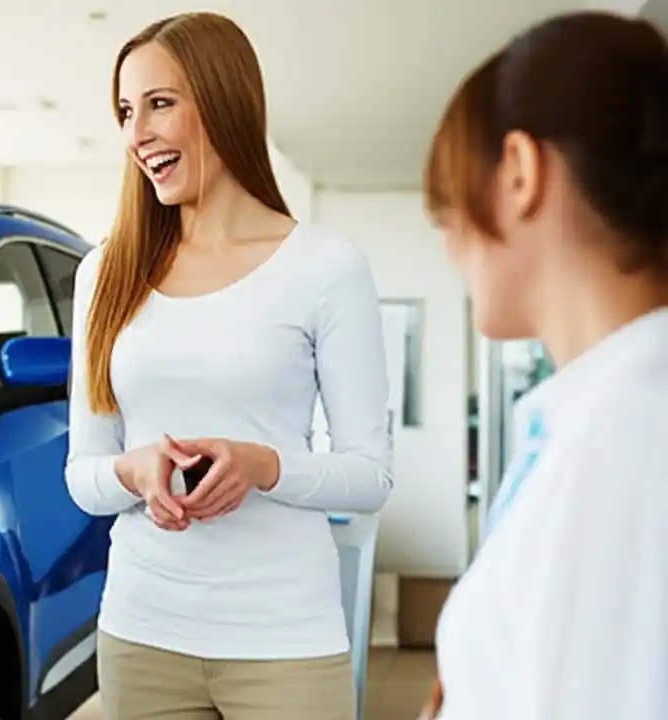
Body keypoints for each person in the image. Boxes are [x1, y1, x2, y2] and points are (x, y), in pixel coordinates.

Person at [66, 11, 393, 720]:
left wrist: (263, 465)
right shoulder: (104, 274)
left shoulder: (326, 267)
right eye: (126, 111)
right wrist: (134, 469)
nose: (136, 134)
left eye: (160, 103)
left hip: (286, 644)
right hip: (141, 633)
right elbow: (83, 477)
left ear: (223, 100)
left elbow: (370, 475)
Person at [421, 11, 668, 720]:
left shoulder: (626, 443)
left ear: (521, 173)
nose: (449, 247)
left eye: (447, 212)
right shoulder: (596, 420)